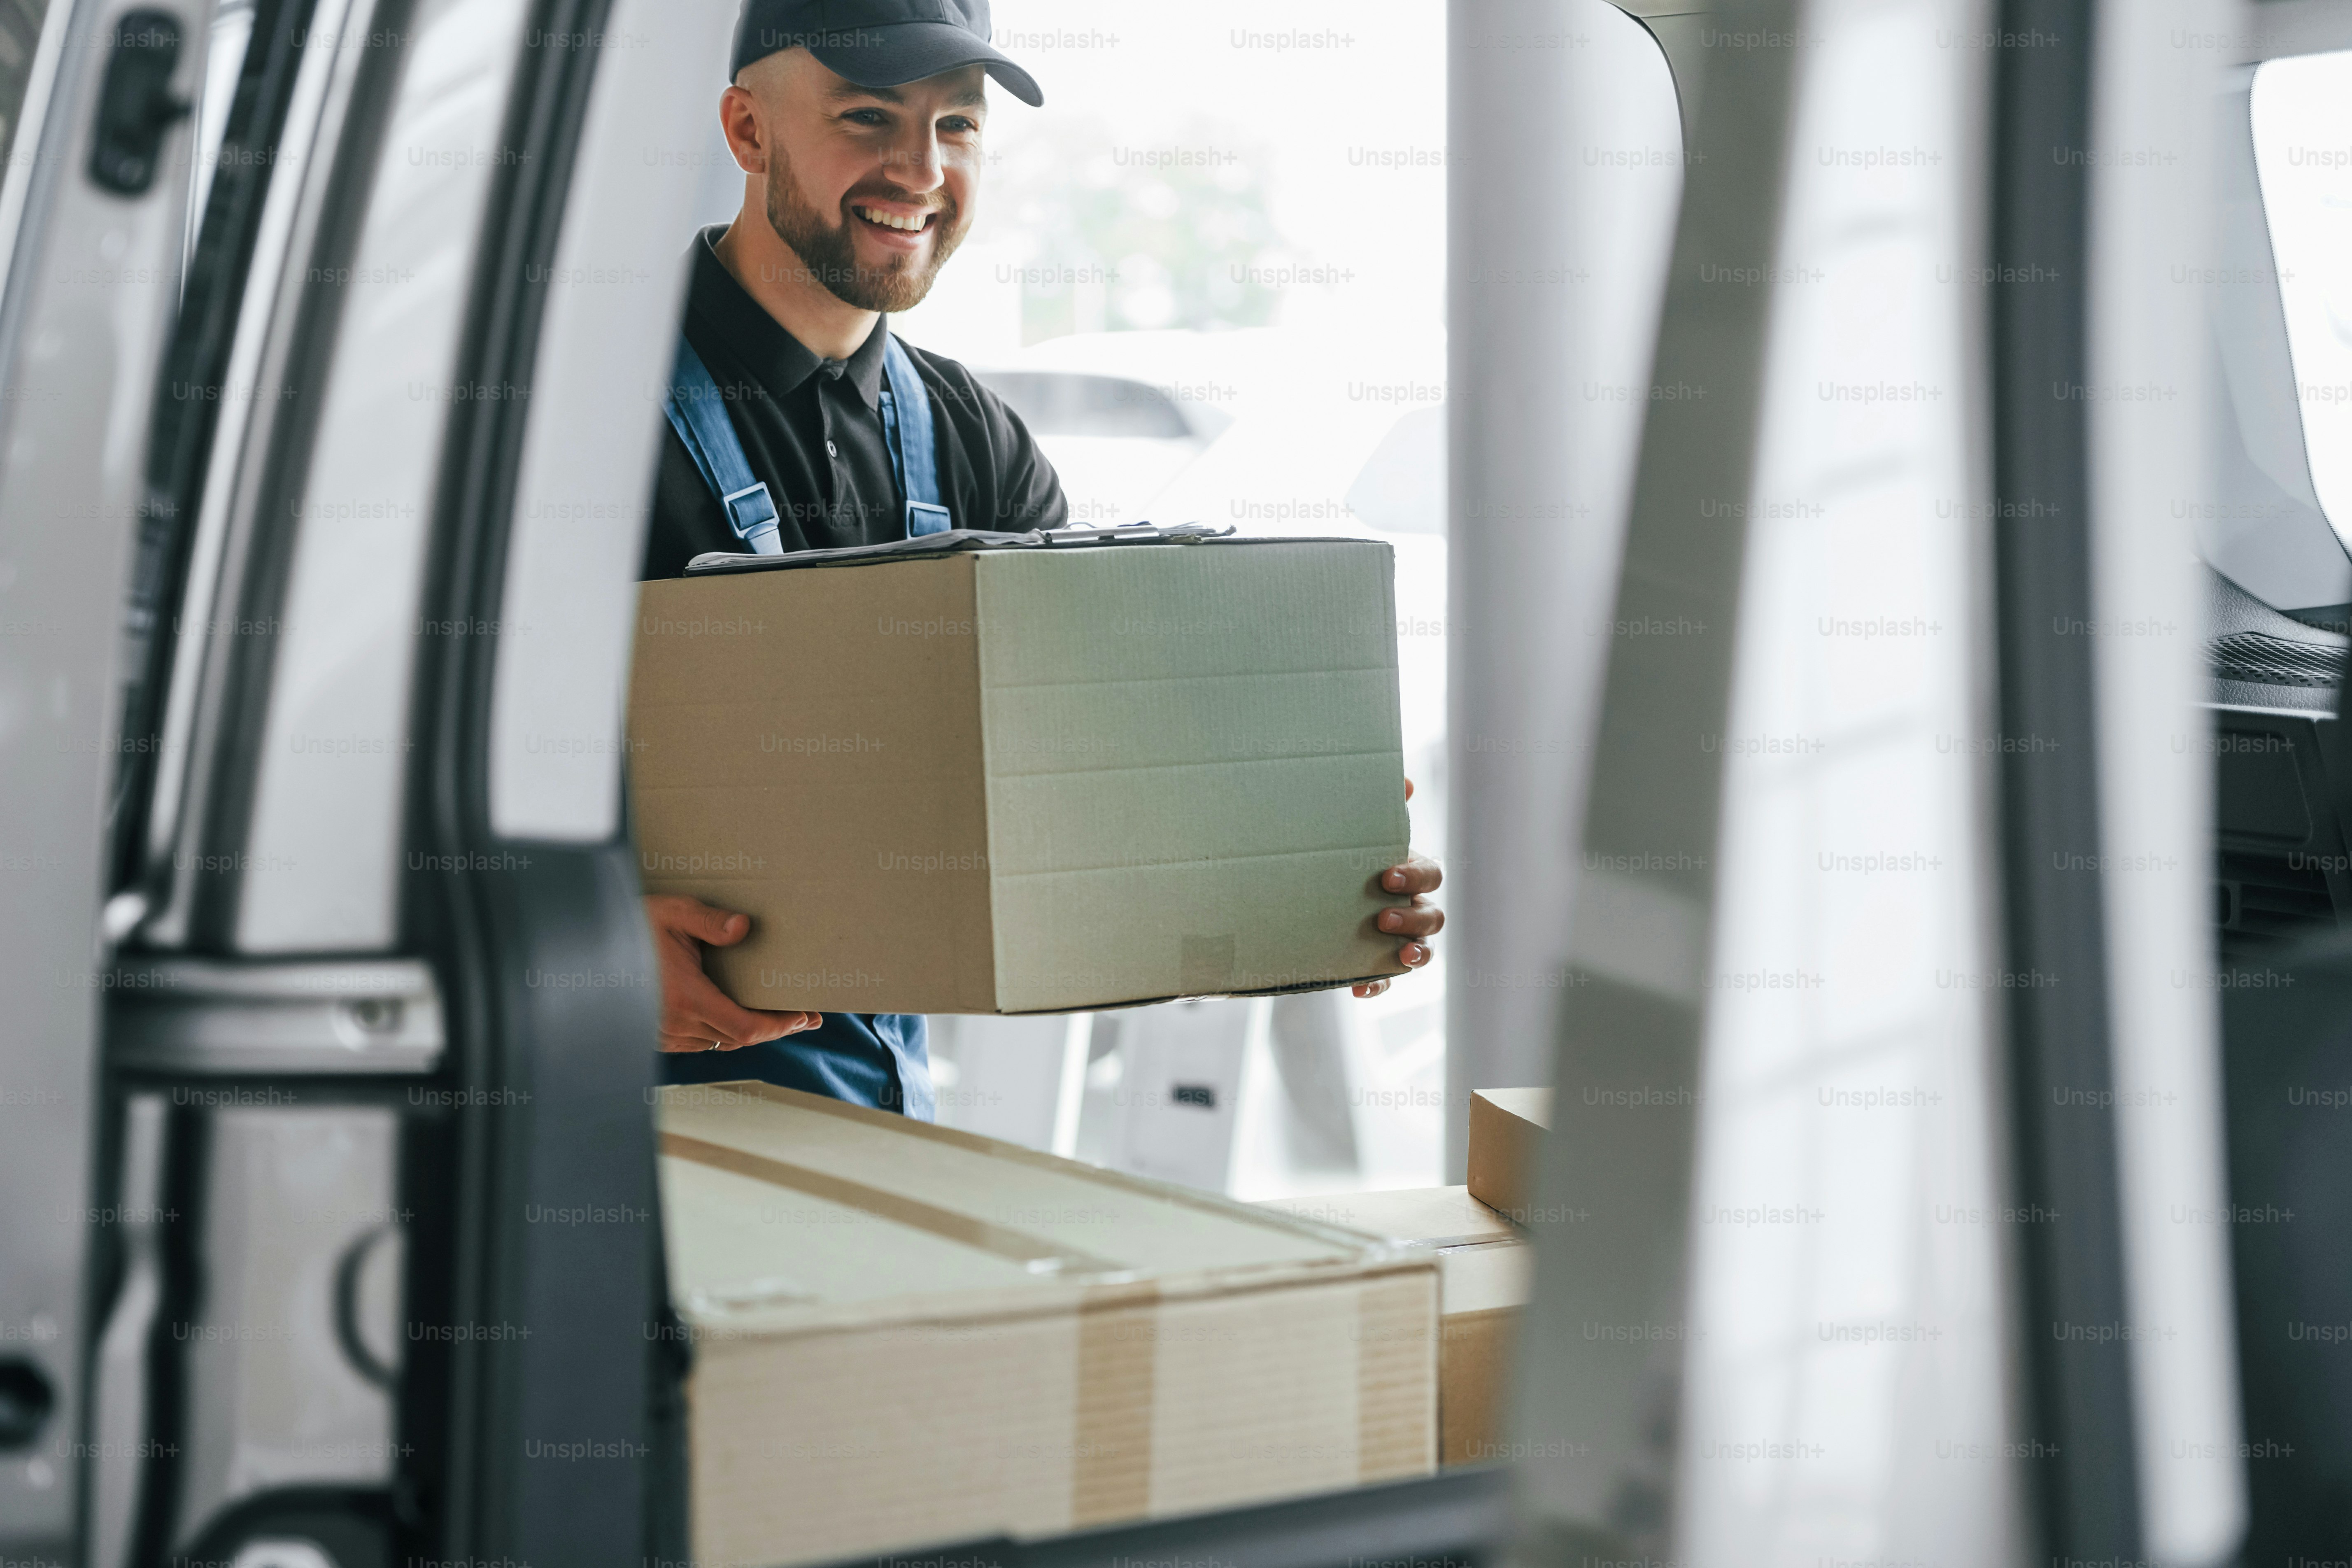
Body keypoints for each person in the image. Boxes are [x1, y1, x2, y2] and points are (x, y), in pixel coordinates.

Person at [642, 0, 1443, 1116]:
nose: (922, 170)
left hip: (879, 1123)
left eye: (957, 126)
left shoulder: (972, 438)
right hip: (599, 1123)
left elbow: (1091, 763)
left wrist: (1302, 850)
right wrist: (576, 945)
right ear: (748, 130)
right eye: (868, 117)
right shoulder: (570, 414)